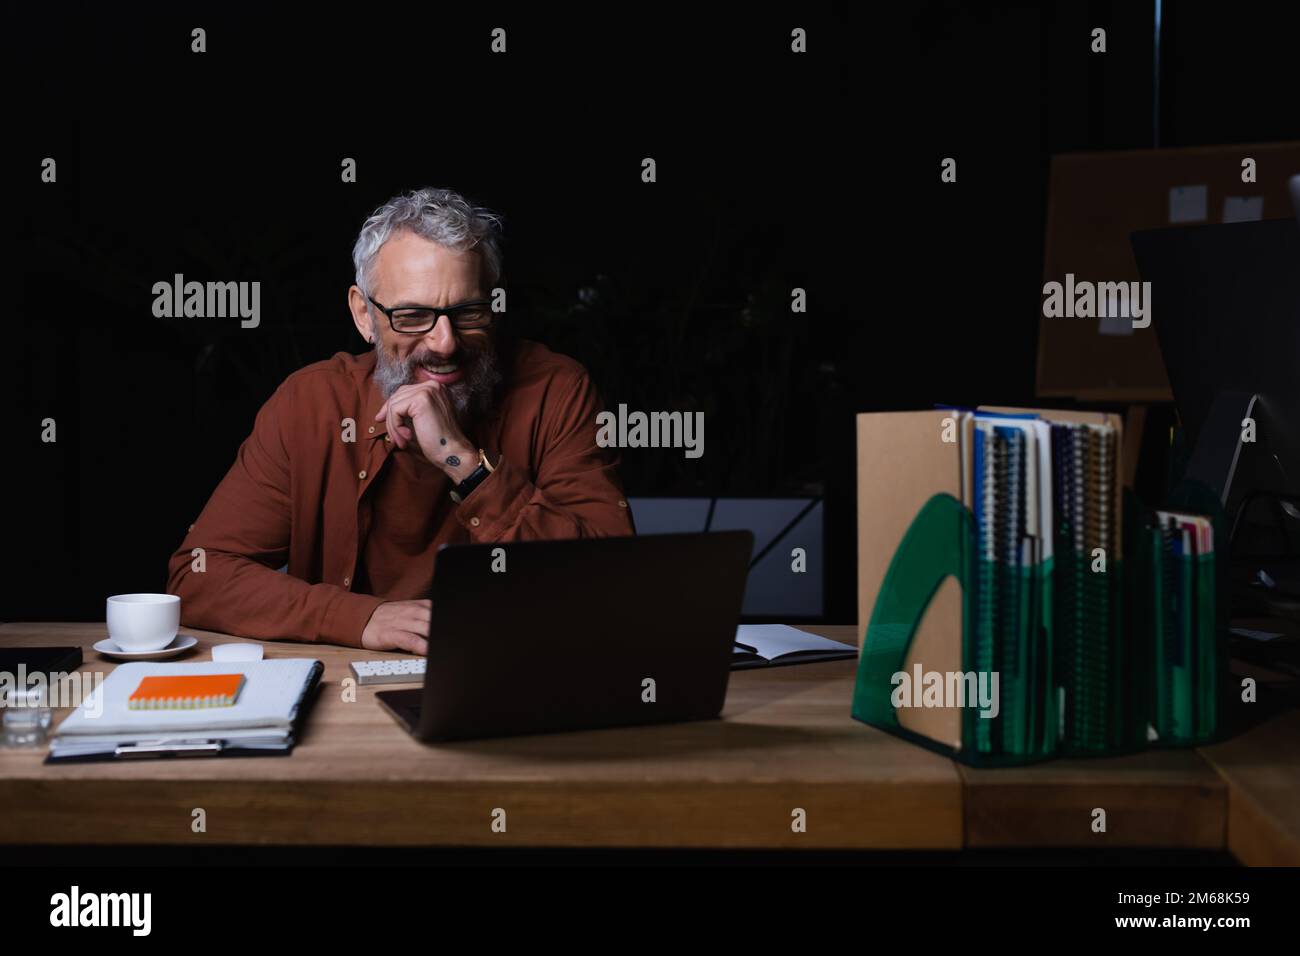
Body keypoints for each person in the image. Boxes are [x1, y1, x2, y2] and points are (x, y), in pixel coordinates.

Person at [166, 187, 635, 653]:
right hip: (345, 686)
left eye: (467, 311)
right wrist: (361, 618)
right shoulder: (309, 403)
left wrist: (466, 462)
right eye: (412, 316)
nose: (445, 343)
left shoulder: (556, 389)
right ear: (364, 315)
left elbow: (611, 584)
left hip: (517, 670)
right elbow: (199, 575)